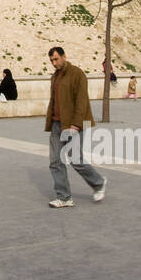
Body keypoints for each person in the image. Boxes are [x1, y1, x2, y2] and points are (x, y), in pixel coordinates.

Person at [45, 47, 105, 208]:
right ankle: (64, 197)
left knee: (75, 159)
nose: (54, 63)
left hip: (74, 124)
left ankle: (98, 183)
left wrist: (75, 125)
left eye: (56, 59)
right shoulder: (55, 76)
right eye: (51, 60)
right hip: (57, 124)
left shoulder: (77, 74)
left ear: (64, 56)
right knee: (55, 161)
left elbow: (82, 101)